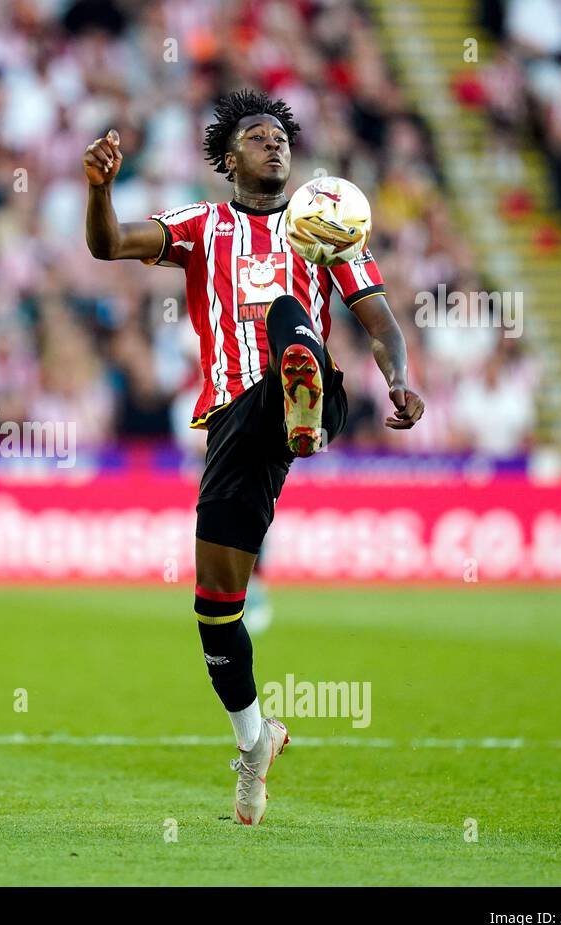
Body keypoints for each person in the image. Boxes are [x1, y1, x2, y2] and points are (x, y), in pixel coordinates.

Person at [83, 90, 425, 825]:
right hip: (237, 426)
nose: (275, 145)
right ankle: (254, 742)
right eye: (258, 137)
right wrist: (99, 190)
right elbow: (109, 245)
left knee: (288, 318)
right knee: (214, 606)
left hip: (314, 397)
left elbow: (379, 321)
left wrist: (398, 378)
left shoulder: (325, 224)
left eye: (281, 136)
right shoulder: (201, 225)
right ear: (228, 158)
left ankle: (301, 386)